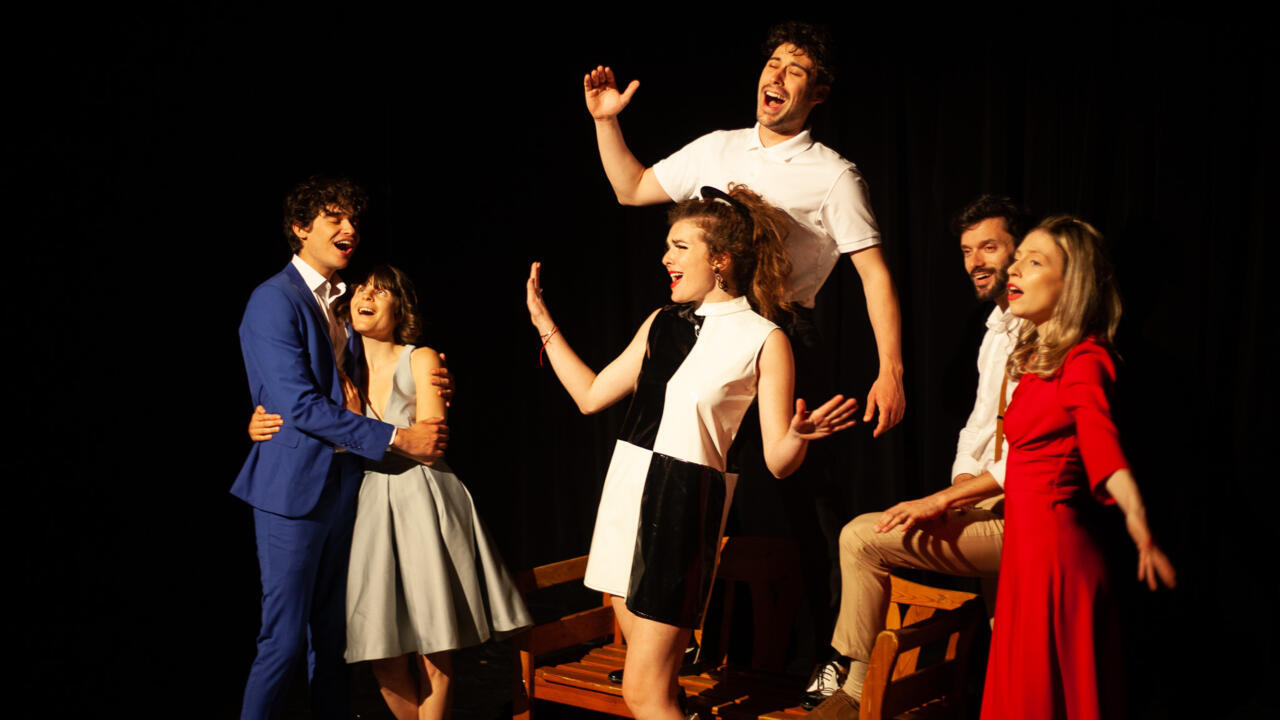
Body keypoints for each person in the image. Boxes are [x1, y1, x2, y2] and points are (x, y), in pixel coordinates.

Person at [584, 20, 904, 692]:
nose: (778, 76)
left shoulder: (833, 174)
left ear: (818, 93)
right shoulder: (718, 148)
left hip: (781, 330)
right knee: (684, 486)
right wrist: (607, 122)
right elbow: (632, 187)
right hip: (704, 331)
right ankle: (685, 640)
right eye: (773, 63)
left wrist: (890, 369)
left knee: (800, 498)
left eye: (797, 69)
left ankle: (832, 655)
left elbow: (873, 274)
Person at [525, 184, 858, 720]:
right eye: (668, 246)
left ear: (720, 260)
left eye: (680, 246)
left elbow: (776, 460)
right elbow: (590, 396)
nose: (665, 257)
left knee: (645, 695)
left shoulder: (764, 339)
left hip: (681, 506)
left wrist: (798, 436)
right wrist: (544, 323)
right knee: (654, 691)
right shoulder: (661, 323)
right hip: (626, 494)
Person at [252, 265, 532, 720]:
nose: (367, 295)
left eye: (381, 292)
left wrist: (361, 423)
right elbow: (296, 402)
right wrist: (259, 419)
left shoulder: (420, 357)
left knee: (431, 642)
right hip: (366, 500)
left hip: (418, 498)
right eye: (362, 288)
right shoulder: (341, 364)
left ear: (400, 309)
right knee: (379, 649)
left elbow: (429, 444)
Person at [233, 176, 447, 720]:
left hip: (346, 486)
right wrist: (400, 438)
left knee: (331, 642)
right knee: (282, 641)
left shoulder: (341, 303)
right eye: (334, 218)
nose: (350, 228)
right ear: (301, 229)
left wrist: (429, 372)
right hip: (291, 492)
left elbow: (358, 385)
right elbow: (300, 405)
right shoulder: (272, 300)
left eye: (354, 219)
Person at [807, 195, 1027, 718]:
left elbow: (1032, 456)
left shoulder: (1048, 334)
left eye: (989, 247)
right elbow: (978, 427)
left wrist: (946, 498)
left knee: (863, 537)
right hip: (991, 504)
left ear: (1024, 251)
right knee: (1004, 634)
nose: (975, 261)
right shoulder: (996, 332)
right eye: (967, 250)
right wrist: (961, 493)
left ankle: (855, 691)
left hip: (1030, 514)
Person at [979, 215, 1176, 719]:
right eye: (1017, 257)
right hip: (1026, 559)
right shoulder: (1040, 357)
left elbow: (1102, 444)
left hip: (1055, 563)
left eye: (1035, 260)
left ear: (1073, 284)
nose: (1015, 269)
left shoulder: (1084, 360)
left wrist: (1138, 522)